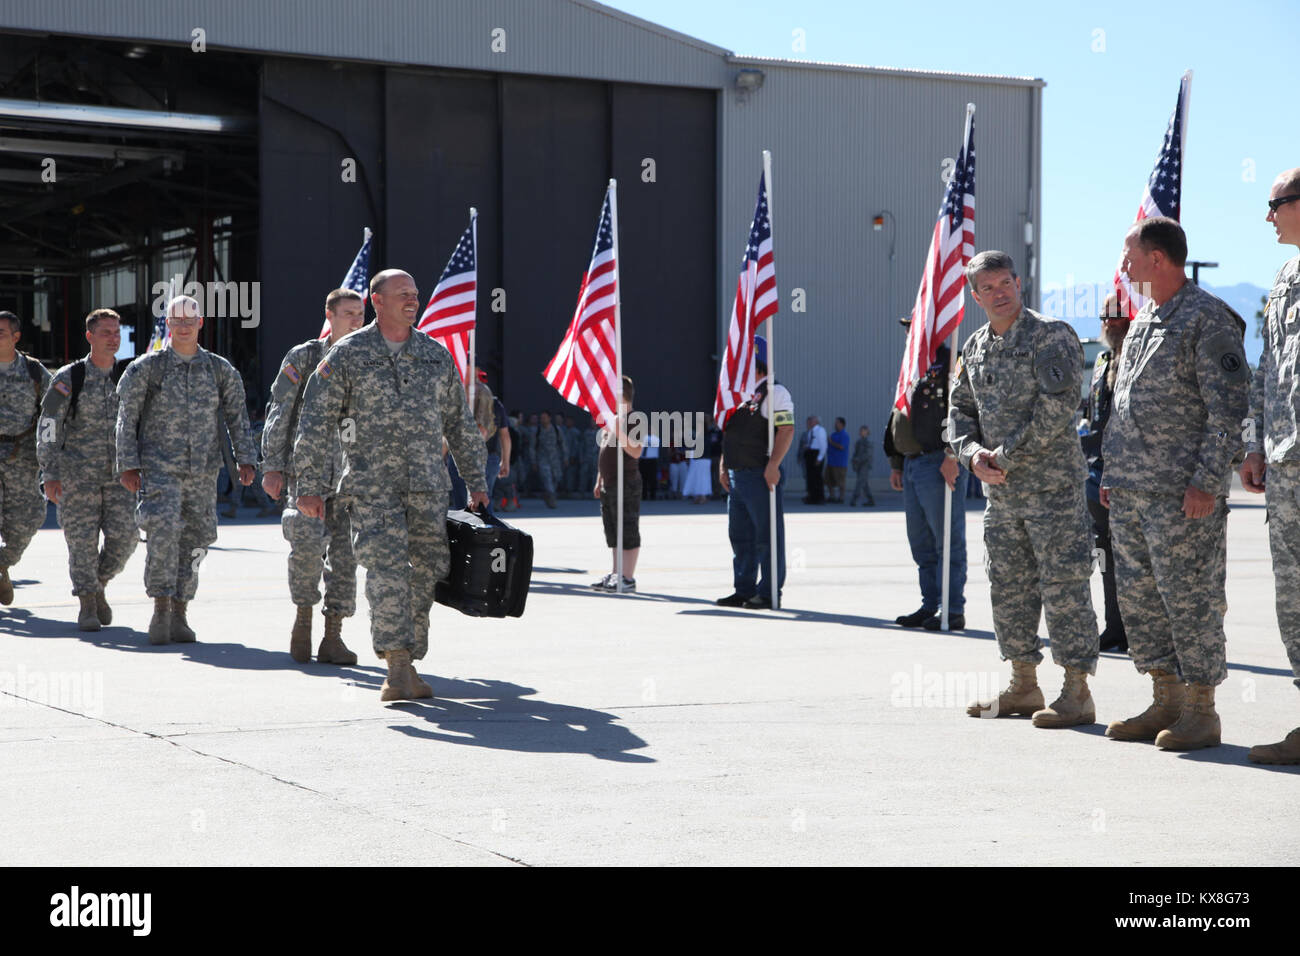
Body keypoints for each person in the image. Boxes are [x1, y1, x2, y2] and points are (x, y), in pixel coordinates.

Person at [294, 269, 487, 703]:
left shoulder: (435, 356)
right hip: (371, 488)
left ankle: (410, 658)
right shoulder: (346, 354)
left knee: (430, 570)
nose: (412, 300)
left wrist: (476, 480)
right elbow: (314, 419)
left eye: (415, 294)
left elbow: (459, 422)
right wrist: (307, 484)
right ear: (377, 301)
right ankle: (397, 665)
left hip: (428, 488)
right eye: (402, 294)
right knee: (386, 571)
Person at [1101, 217, 1249, 751]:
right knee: (1142, 602)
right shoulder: (1143, 320)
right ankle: (1164, 699)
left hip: (1184, 496)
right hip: (1134, 494)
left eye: (1129, 254)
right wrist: (1114, 473)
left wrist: (1208, 482)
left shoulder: (1207, 320)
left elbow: (1228, 409)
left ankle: (1201, 711)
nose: (1123, 265)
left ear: (1157, 259)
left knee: (1191, 601)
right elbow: (1127, 406)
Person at [949, 250, 1099, 727]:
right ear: (976, 296)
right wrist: (971, 454)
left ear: (1019, 282)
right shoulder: (973, 347)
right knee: (1008, 587)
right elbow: (958, 411)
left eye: (1006, 283)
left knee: (1064, 587)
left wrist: (1004, 456)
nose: (1000, 293)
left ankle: (1076, 692)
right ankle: (1023, 684)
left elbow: (1059, 407)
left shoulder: (1050, 335)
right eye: (988, 288)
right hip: (1001, 496)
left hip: (1052, 492)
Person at [116, 295, 257, 644]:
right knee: (163, 533)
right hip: (160, 468)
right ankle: (160, 608)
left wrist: (246, 458)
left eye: (188, 319)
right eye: (175, 318)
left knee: (198, 541)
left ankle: (181, 610)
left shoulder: (220, 370)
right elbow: (126, 419)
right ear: (167, 323)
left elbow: (237, 417)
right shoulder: (146, 369)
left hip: (204, 471)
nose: (182, 324)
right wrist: (128, 464)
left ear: (200, 323)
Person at [260, 287, 365, 665]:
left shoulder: (369, 360)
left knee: (346, 558)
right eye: (349, 313)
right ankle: (303, 620)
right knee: (305, 549)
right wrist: (272, 466)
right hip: (309, 475)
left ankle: (333, 635)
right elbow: (279, 411)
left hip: (354, 478)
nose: (356, 319)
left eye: (360, 313)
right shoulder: (304, 357)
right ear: (330, 314)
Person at [1240, 168, 1300, 763]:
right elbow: (1266, 368)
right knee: (1293, 595)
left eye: (1275, 204)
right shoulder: (1284, 277)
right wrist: (1255, 444)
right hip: (1285, 463)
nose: (1268, 217)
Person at [37, 309, 137, 630]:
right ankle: (87, 604)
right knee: (81, 543)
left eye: (116, 332)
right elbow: (49, 425)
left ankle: (98, 584)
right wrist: (49, 473)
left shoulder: (130, 375)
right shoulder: (69, 378)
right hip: (77, 477)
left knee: (126, 538)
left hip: (120, 477)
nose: (113, 338)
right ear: (90, 336)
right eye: (106, 332)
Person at [887, 340, 966, 631]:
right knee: (921, 543)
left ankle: (953, 608)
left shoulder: (951, 360)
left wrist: (951, 453)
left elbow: (965, 408)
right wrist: (897, 461)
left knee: (946, 540)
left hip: (938, 460)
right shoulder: (913, 366)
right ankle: (930, 604)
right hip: (912, 462)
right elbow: (900, 413)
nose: (910, 335)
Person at [717, 335, 794, 609]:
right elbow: (731, 431)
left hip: (760, 474)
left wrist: (773, 465)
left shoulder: (776, 393)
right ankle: (744, 588)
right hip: (738, 475)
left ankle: (769, 591)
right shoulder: (740, 396)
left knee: (767, 536)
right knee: (740, 535)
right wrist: (724, 464)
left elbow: (786, 430)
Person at [1080, 293, 1130, 653]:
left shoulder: (1138, 360)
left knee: (1134, 560)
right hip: (1096, 474)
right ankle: (1115, 629)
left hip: (1129, 476)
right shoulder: (1100, 360)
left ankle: (1141, 633)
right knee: (1106, 559)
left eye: (1119, 318)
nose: (1112, 324)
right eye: (1106, 318)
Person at [0, 310, 50, 608]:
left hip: (23, 457)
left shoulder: (34, 372)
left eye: (2, 333)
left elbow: (55, 412)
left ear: (16, 337)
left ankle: (2, 565)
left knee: (29, 518)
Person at [591, 376, 643, 591]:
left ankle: (627, 577)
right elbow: (603, 451)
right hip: (609, 484)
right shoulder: (611, 419)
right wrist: (599, 479)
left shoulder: (633, 419)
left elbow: (636, 450)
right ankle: (616, 573)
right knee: (612, 530)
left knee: (627, 529)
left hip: (626, 483)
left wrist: (618, 430)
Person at [535, 410, 562, 508]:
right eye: (541, 418)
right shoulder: (537, 430)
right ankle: (552, 499)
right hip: (543, 459)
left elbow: (563, 443)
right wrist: (534, 461)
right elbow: (532, 447)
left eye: (545, 417)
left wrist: (567, 457)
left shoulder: (556, 429)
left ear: (549, 418)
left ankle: (548, 494)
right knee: (547, 479)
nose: (543, 419)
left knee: (556, 478)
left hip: (555, 459)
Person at [849, 425, 876, 506]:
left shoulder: (868, 442)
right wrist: (854, 460)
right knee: (864, 484)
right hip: (859, 465)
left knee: (860, 482)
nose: (861, 432)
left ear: (867, 432)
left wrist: (858, 459)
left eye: (863, 431)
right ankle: (871, 500)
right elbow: (856, 453)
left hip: (865, 465)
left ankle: (854, 499)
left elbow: (868, 454)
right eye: (860, 431)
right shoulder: (859, 442)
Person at [802, 416, 826, 504]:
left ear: (815, 422)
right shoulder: (810, 432)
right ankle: (812, 497)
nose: (808, 424)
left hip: (816, 455)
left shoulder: (820, 430)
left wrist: (820, 458)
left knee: (817, 477)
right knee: (810, 478)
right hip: (810, 454)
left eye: (809, 422)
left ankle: (820, 498)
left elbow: (823, 445)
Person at [824, 417, 849, 503]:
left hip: (840, 463)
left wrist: (831, 442)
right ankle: (832, 496)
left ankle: (841, 497)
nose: (835, 424)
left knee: (840, 482)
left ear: (842, 424)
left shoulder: (844, 435)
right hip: (830, 462)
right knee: (828, 480)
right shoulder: (833, 435)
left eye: (837, 423)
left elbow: (842, 447)